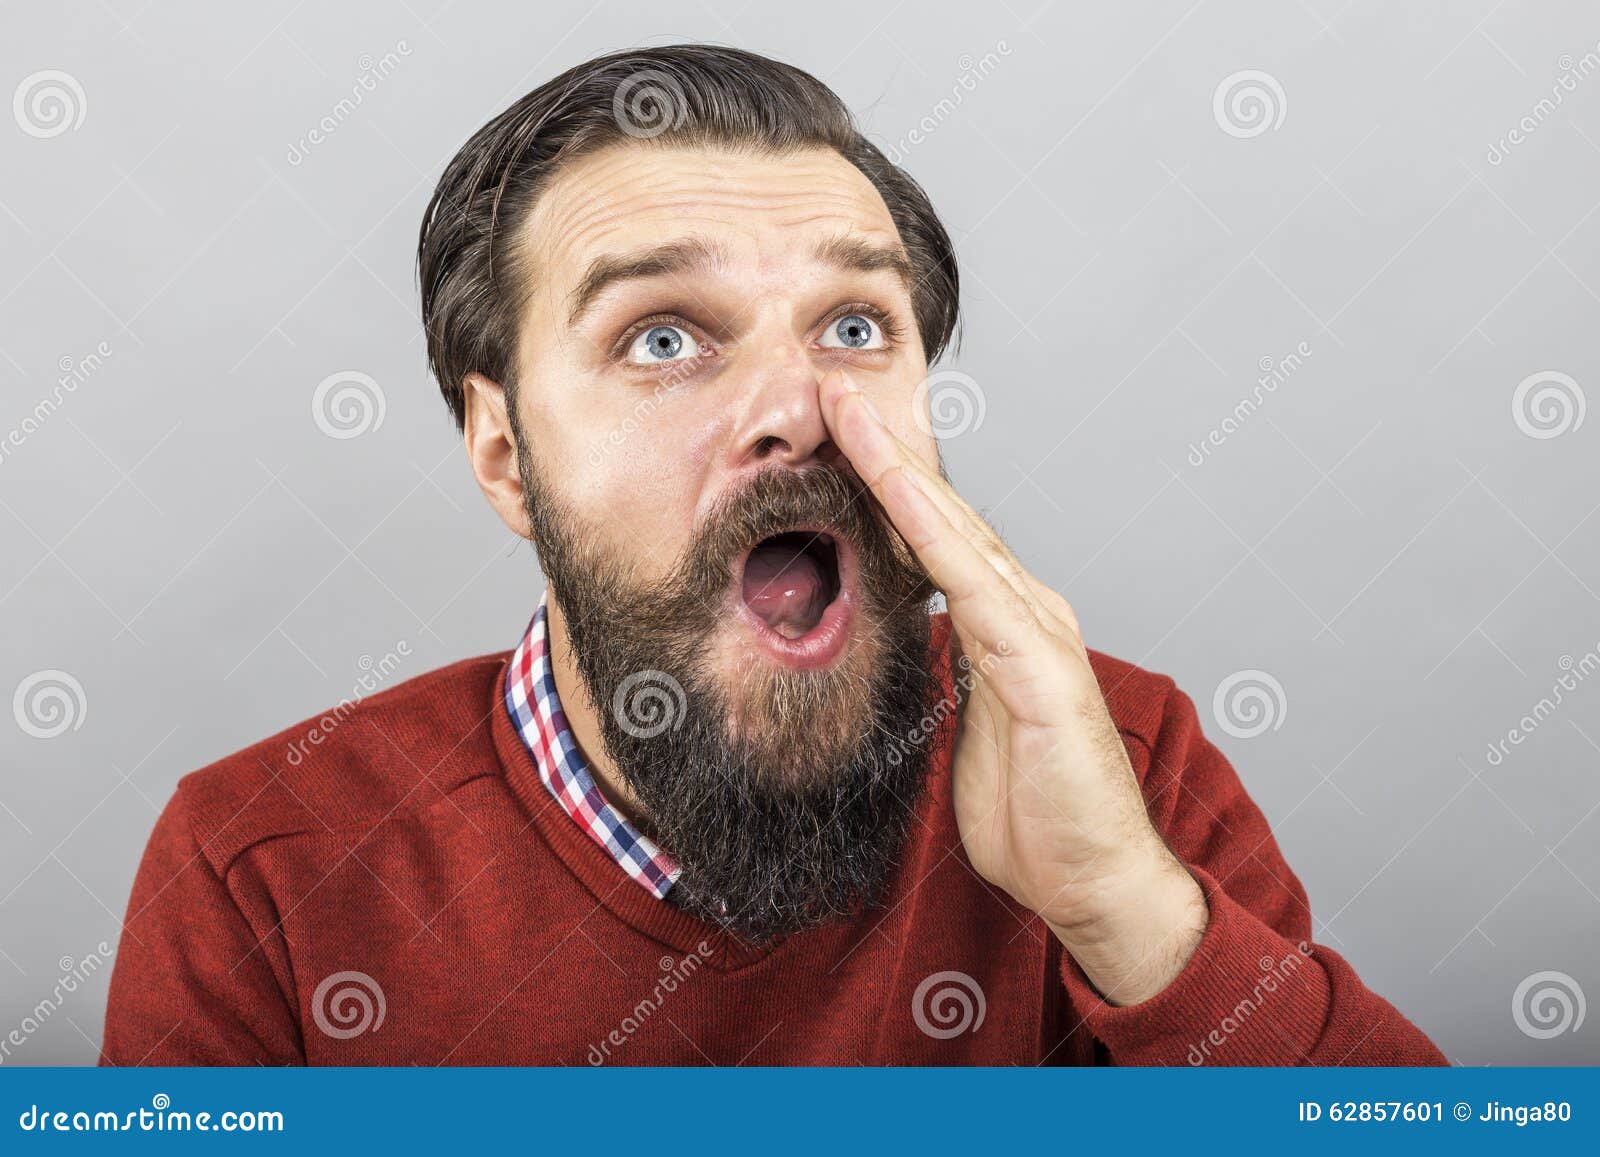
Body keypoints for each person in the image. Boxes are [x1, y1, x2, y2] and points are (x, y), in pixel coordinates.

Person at [103, 45, 1444, 1066]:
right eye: (665, 337)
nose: (795, 410)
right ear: (505, 453)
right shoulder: (261, 865)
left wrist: (1129, 916)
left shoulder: (1119, 762)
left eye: (856, 328)